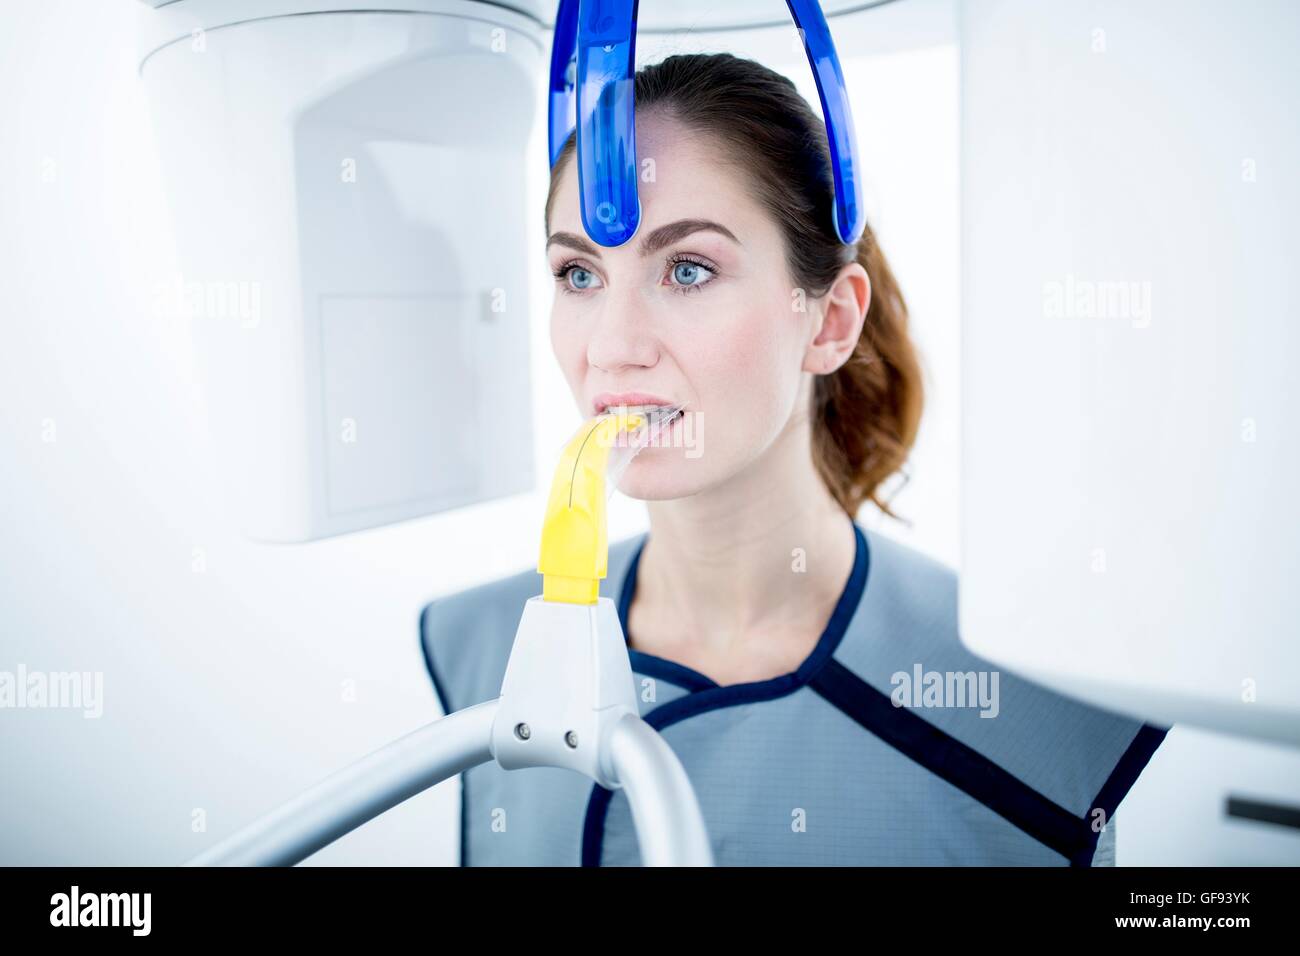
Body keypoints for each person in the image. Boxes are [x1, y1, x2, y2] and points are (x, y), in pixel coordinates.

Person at [421, 52, 1167, 866]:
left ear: (829, 321)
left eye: (688, 268)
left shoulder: (1031, 706)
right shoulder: (485, 654)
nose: (611, 347)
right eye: (578, 273)